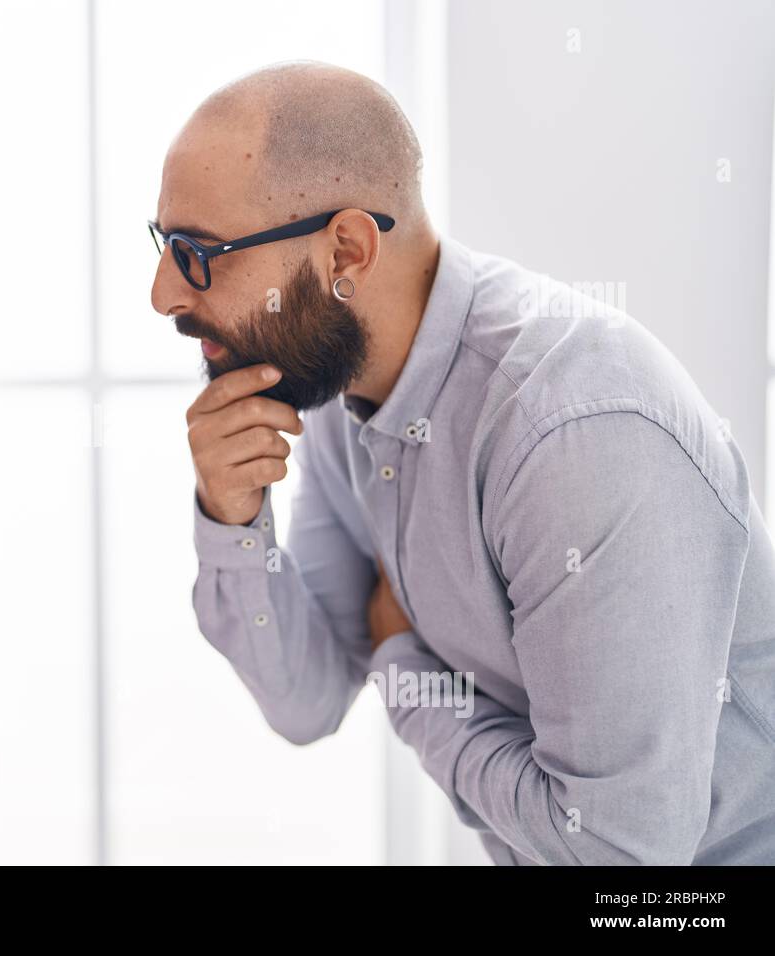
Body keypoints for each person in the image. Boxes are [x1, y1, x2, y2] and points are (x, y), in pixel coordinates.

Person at [151, 61, 775, 865]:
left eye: (199, 253)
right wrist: (232, 518)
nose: (163, 292)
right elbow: (305, 700)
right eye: (165, 245)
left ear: (346, 250)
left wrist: (408, 673)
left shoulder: (573, 435)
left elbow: (621, 858)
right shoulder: (344, 388)